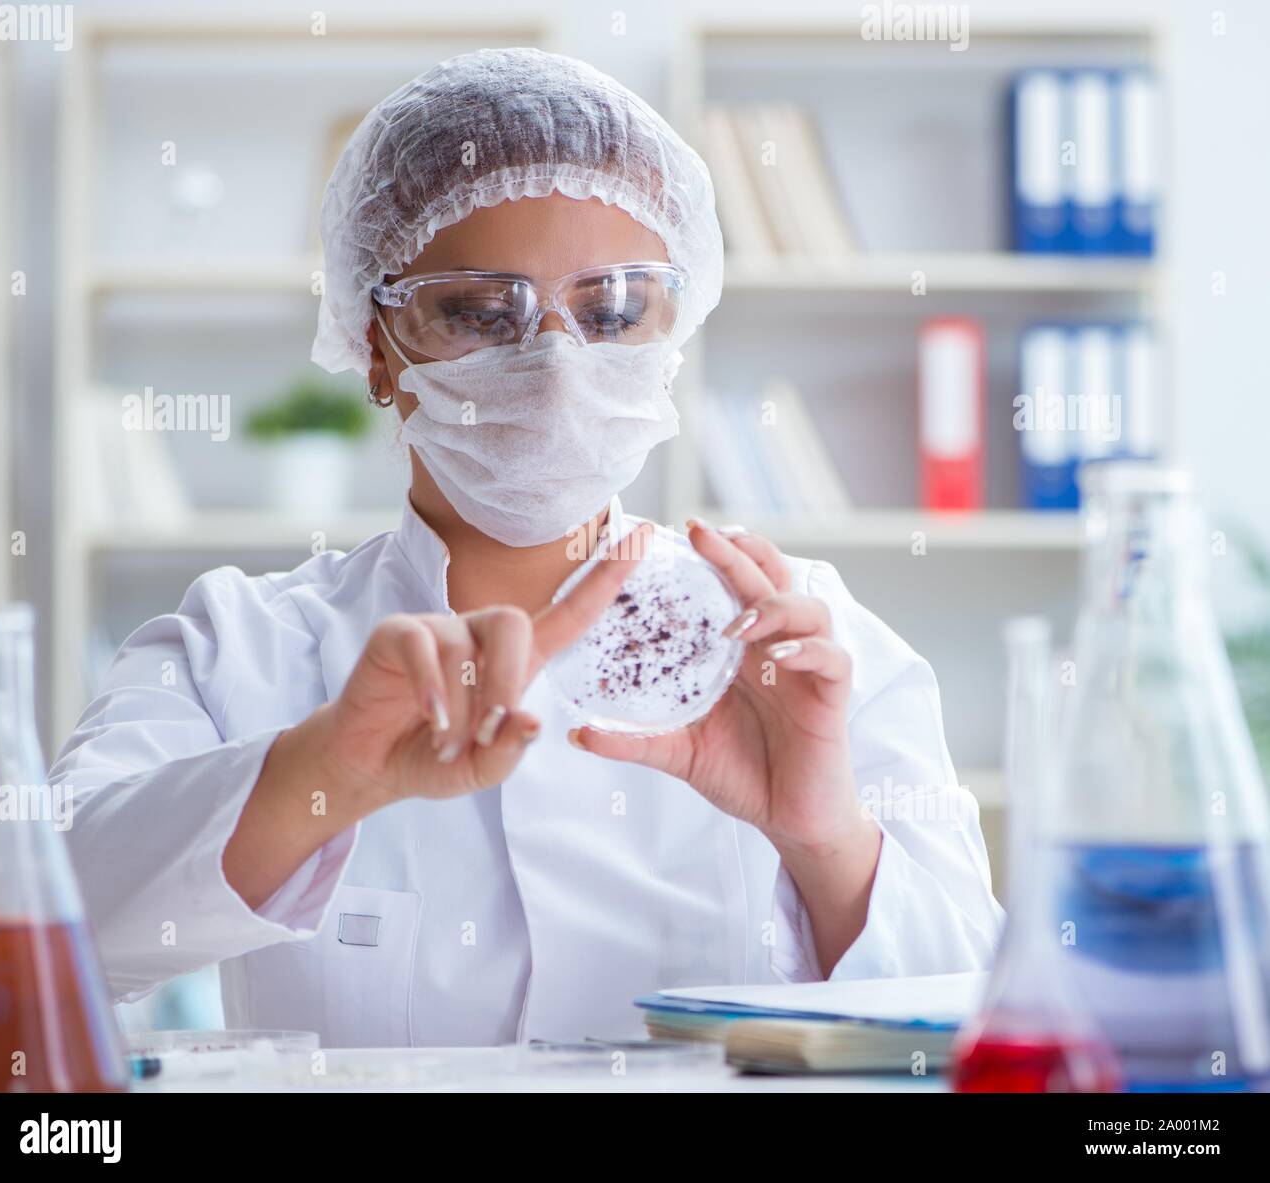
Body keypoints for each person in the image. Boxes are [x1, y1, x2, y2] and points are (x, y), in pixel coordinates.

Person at [52, 48, 1002, 1046]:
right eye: (476, 312)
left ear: (672, 330)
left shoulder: (802, 646)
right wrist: (327, 769)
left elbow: (978, 1023)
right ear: (375, 345)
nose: (555, 365)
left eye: (613, 310)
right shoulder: (236, 647)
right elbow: (45, 920)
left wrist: (825, 838)